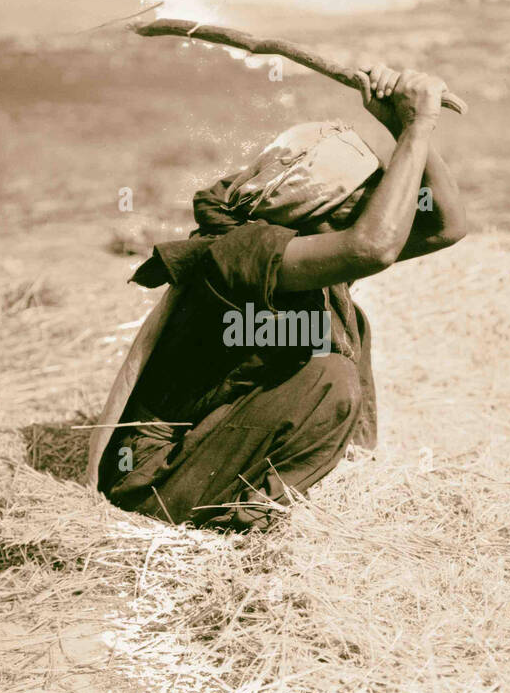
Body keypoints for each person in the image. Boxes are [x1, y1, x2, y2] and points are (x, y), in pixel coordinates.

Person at [89, 62, 466, 531]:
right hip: (153, 482)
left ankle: (292, 485)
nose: (376, 208)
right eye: (361, 201)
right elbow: (374, 245)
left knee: (346, 328)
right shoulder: (245, 251)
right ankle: (249, 518)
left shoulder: (301, 241)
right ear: (319, 212)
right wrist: (417, 127)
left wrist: (401, 128)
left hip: (202, 450)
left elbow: (444, 228)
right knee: (327, 378)